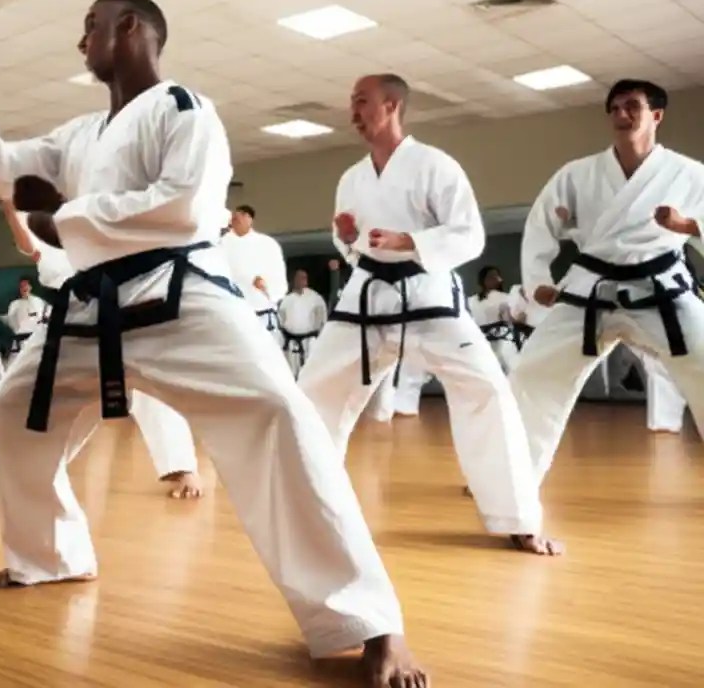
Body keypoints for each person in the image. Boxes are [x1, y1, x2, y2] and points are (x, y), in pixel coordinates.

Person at [0, 0, 426, 684]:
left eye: (90, 26)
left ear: (129, 29)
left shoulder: (184, 108)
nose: (81, 41)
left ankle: (371, 623)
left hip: (180, 294)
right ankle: (51, 557)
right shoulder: (82, 134)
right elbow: (3, 165)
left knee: (281, 414)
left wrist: (67, 219)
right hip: (93, 304)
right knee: (12, 409)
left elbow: (184, 203)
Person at [296, 73, 559, 557]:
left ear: (392, 105)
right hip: (366, 297)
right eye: (351, 102)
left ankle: (518, 518)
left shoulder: (436, 165)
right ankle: (307, 507)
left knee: (487, 391)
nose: (353, 112)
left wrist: (411, 241)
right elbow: (350, 244)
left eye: (362, 101)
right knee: (312, 392)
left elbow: (469, 235)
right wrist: (348, 238)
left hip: (427, 294)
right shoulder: (351, 178)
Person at [512, 79, 704, 481]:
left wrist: (687, 225)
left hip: (660, 289)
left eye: (632, 106)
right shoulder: (577, 174)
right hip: (590, 288)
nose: (621, 114)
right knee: (532, 372)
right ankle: (511, 479)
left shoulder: (689, 174)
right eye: (614, 108)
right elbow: (541, 224)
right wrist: (538, 279)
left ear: (657, 115)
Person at [0, 197, 204, 499]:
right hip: (74, 323)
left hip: (127, 313)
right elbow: (29, 245)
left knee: (152, 390)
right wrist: (8, 206)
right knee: (63, 399)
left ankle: (182, 467)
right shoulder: (53, 242)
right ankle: (43, 468)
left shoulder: (104, 221)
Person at [220, 205, 287, 342]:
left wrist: (266, 285)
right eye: (235, 217)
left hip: (263, 314)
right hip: (233, 315)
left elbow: (279, 280)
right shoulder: (220, 245)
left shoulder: (267, 244)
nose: (238, 219)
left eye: (244, 215)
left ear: (250, 219)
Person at [277, 269, 327, 378]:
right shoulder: (286, 300)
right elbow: (281, 322)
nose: (301, 280)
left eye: (304, 278)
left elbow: (322, 319)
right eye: (299, 278)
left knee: (311, 372)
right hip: (292, 342)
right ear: (294, 280)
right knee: (292, 373)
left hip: (310, 341)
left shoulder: (316, 298)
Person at [468, 266, 515, 373]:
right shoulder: (471, 301)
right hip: (479, 342)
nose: (495, 279)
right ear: (483, 280)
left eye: (496, 276)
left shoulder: (505, 298)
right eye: (491, 277)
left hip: (501, 342)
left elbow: (510, 320)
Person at [0, 275, 48, 363]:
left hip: (36, 338)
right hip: (20, 339)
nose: (23, 288)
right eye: (21, 286)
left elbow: (46, 315)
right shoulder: (14, 304)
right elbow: (9, 320)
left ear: (31, 287)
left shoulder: (39, 301)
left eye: (26, 285)